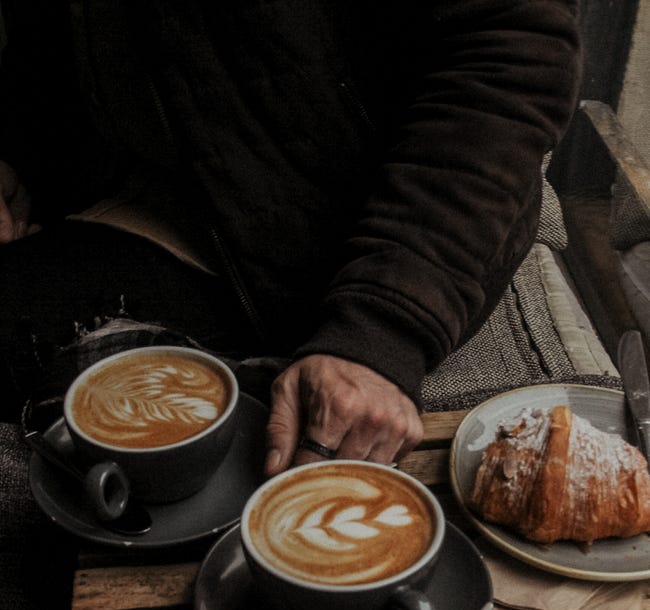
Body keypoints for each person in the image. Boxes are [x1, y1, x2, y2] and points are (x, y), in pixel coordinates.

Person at [0, 0, 581, 476]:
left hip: (371, 236)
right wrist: (18, 152)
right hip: (138, 177)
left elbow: (511, 54)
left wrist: (383, 330)